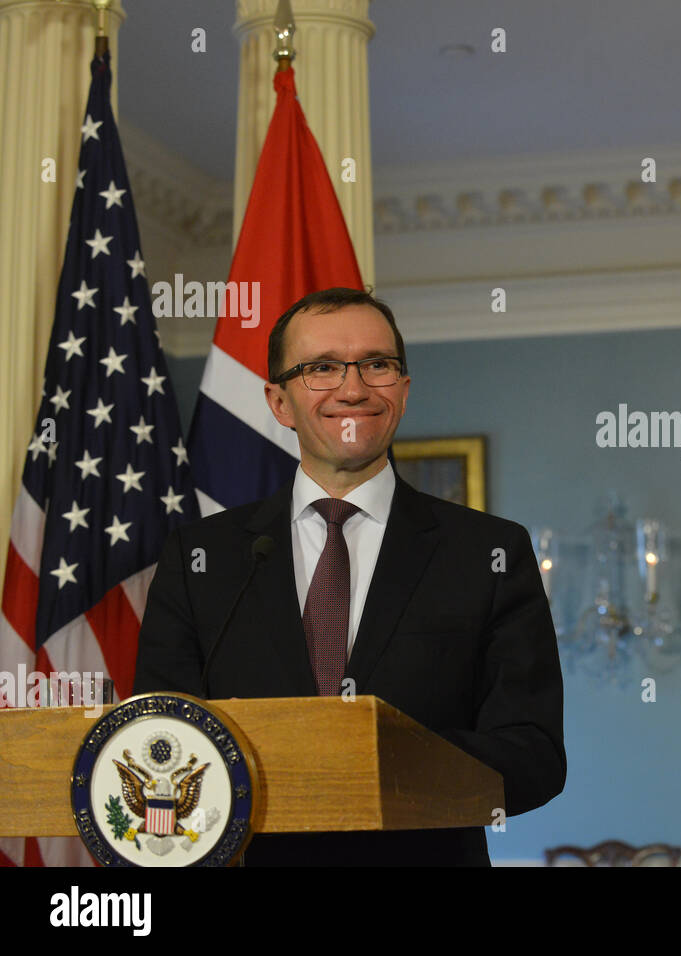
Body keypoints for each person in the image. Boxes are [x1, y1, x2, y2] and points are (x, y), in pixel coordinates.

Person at [135, 287, 564, 865]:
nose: (354, 387)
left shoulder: (489, 551)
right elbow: (161, 741)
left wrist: (377, 761)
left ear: (403, 392)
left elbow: (533, 757)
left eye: (378, 365)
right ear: (280, 402)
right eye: (322, 368)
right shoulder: (199, 559)